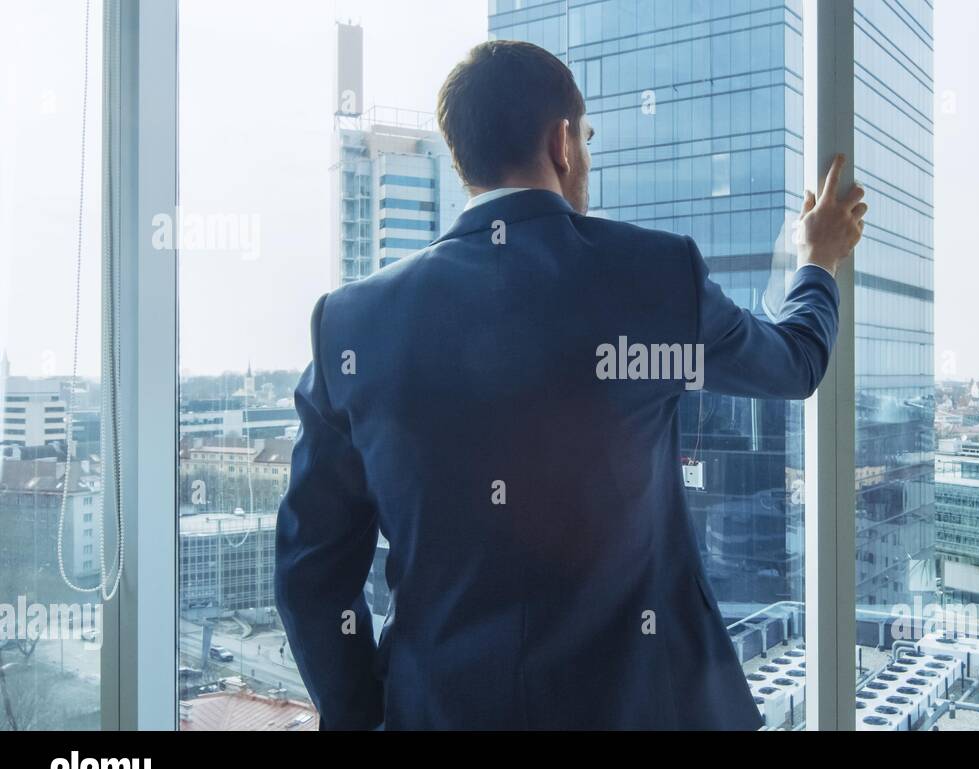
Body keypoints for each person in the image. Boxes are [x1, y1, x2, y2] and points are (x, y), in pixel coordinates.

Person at [275, 40, 866, 730]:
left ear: (463, 157)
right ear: (561, 143)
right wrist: (816, 260)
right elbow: (795, 363)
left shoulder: (351, 322)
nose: (586, 159)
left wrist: (365, 714)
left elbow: (311, 570)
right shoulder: (654, 276)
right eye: (585, 140)